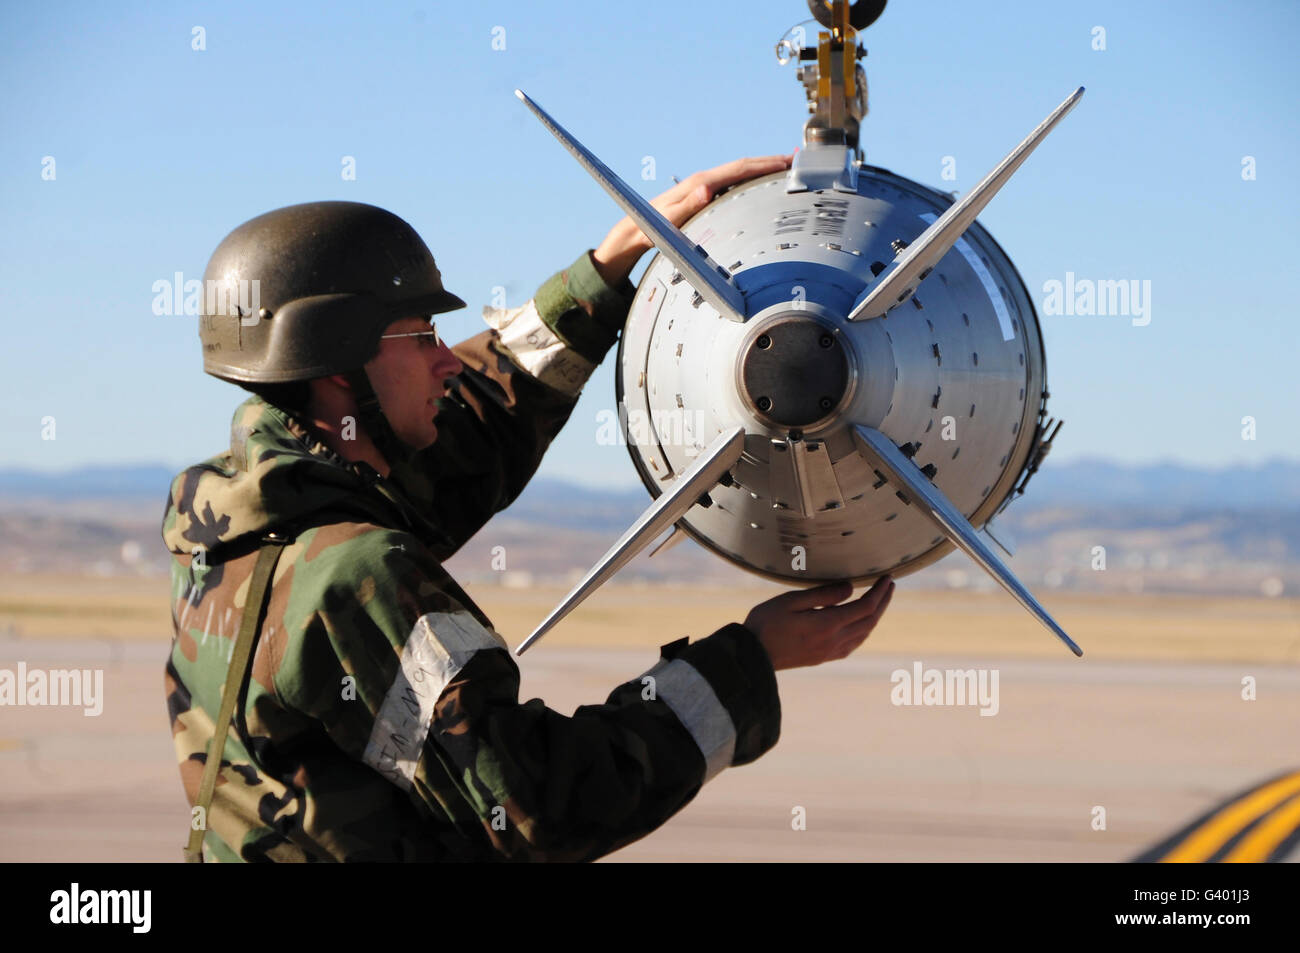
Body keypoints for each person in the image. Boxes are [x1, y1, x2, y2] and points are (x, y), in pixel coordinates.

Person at [163, 156, 896, 862]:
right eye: (421, 336)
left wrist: (603, 272)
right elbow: (536, 806)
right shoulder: (357, 576)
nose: (446, 360)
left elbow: (468, 435)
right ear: (336, 369)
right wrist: (747, 663)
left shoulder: (235, 522)